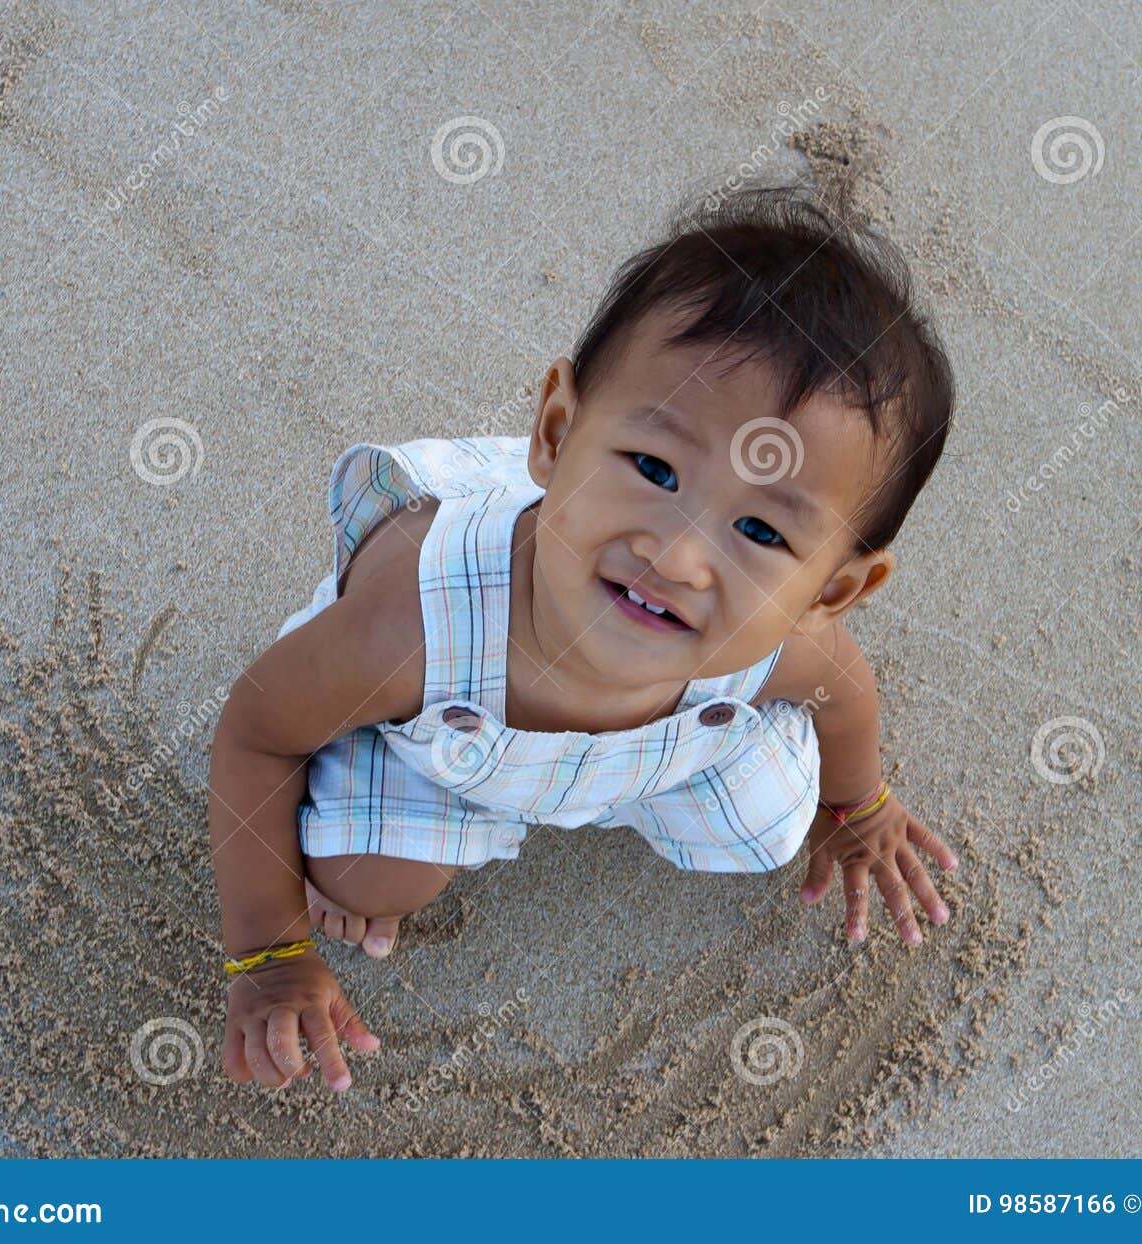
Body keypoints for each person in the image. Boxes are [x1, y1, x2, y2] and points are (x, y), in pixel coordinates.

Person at [209, 180, 960, 1092]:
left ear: (833, 589)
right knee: (369, 876)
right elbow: (256, 732)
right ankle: (426, 821)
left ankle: (629, 780)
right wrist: (269, 950)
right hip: (448, 727)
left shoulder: (781, 643)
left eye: (762, 532)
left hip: (660, 740)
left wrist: (860, 806)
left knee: (772, 823)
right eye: (653, 466)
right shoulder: (410, 623)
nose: (676, 555)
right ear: (558, 433)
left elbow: (843, 692)